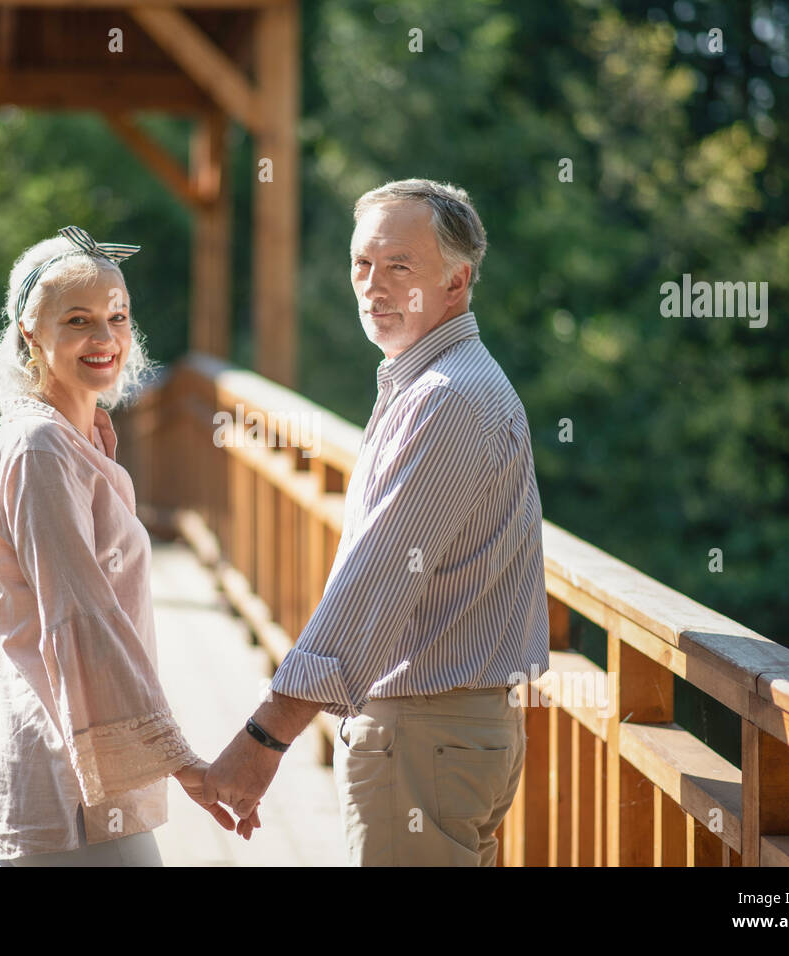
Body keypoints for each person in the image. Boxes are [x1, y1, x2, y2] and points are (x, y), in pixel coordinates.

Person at [204, 179, 551, 866]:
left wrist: (265, 738)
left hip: (423, 735)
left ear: (457, 280)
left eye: (399, 265)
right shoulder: (436, 382)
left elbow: (375, 583)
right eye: (362, 263)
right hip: (451, 734)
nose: (372, 284)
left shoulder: (446, 399)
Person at [0, 225, 258, 866]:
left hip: (90, 771)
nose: (105, 338)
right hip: (64, 777)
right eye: (78, 320)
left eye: (117, 317)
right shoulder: (39, 448)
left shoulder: (80, 435)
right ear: (29, 334)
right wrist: (185, 765)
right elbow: (81, 617)